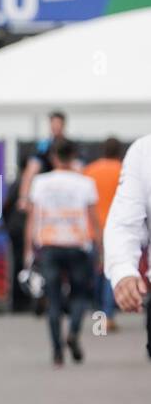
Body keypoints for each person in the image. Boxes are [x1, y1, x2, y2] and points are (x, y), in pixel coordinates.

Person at [26, 139, 99, 366]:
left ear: (54, 157)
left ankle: (57, 352)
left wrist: (28, 250)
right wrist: (102, 249)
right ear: (74, 156)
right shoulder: (85, 182)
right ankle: (73, 332)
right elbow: (94, 220)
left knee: (54, 300)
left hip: (49, 245)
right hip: (77, 245)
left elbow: (33, 217)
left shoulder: (40, 182)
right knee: (80, 295)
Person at [103, 133, 151, 357]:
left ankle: (106, 317)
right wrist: (122, 267)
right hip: (100, 240)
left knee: (98, 289)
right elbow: (124, 220)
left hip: (92, 238)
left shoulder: (90, 171)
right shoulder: (143, 152)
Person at [84, 137, 124, 328]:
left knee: (96, 274)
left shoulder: (90, 170)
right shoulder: (123, 170)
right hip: (116, 229)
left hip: (93, 230)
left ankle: (98, 314)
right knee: (110, 272)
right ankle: (108, 315)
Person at [18, 110, 68, 214]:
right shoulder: (43, 145)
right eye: (53, 123)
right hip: (48, 188)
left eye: (58, 124)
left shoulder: (70, 145)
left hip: (66, 188)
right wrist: (24, 197)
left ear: (63, 125)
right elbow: (30, 170)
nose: (56, 127)